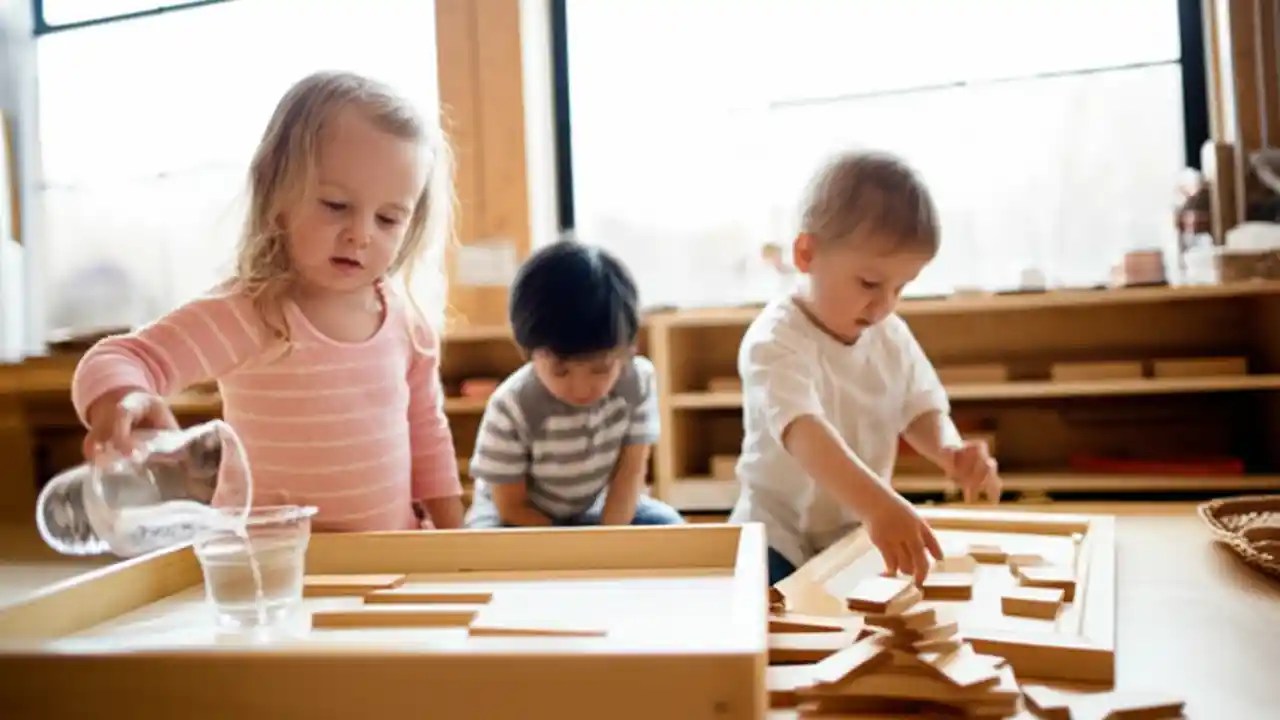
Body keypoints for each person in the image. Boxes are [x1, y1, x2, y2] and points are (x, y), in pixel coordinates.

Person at [70, 71, 464, 531]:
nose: (360, 234)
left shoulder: (405, 323)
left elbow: (427, 436)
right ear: (277, 192)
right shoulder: (251, 312)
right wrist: (122, 397)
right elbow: (118, 357)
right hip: (270, 562)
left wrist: (455, 539)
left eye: (388, 219)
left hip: (389, 555)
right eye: (335, 205)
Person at [730, 150, 1001, 585]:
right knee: (768, 611)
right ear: (806, 254)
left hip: (855, 534)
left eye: (901, 287)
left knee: (873, 612)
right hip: (775, 536)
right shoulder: (774, 340)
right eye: (870, 283)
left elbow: (920, 407)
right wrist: (879, 505)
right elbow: (805, 434)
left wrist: (949, 451)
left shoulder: (890, 335)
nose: (885, 304)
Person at [464, 241, 683, 528]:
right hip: (516, 517)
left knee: (666, 524)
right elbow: (511, 507)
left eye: (601, 369)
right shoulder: (512, 405)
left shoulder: (637, 384)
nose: (582, 388)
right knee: (485, 544)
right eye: (561, 371)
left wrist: (607, 539)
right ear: (529, 352)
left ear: (628, 349)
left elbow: (629, 476)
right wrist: (571, 546)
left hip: (589, 509)